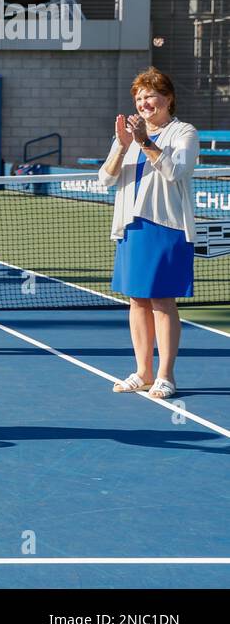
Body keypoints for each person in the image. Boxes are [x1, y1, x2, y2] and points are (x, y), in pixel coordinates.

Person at [99, 68, 200, 401]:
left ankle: (165, 376)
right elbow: (105, 179)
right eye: (138, 98)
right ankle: (142, 372)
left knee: (161, 300)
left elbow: (176, 171)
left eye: (149, 96)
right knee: (137, 300)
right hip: (132, 227)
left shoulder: (184, 132)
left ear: (167, 98)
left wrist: (144, 142)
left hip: (166, 226)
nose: (143, 103)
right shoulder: (130, 134)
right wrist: (123, 145)